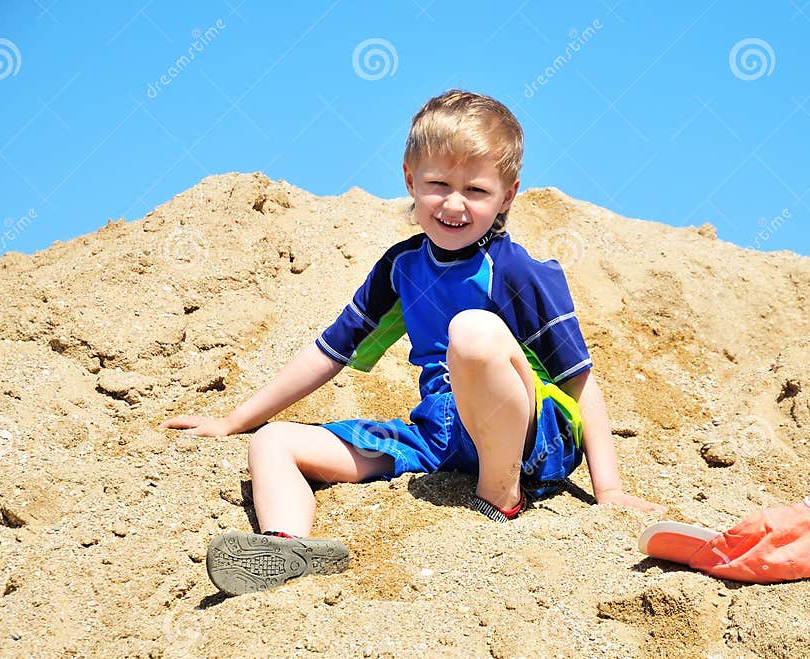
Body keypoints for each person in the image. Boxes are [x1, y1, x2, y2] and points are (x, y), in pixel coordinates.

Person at [160, 89, 666, 596]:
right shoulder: (401, 267)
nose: (453, 203)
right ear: (409, 178)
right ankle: (286, 544)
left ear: (507, 196)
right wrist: (234, 422)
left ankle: (499, 491)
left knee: (471, 331)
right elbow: (329, 350)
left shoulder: (516, 272)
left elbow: (579, 380)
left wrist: (609, 490)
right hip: (440, 433)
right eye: (438, 184)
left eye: (476, 190)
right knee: (273, 443)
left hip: (531, 431)